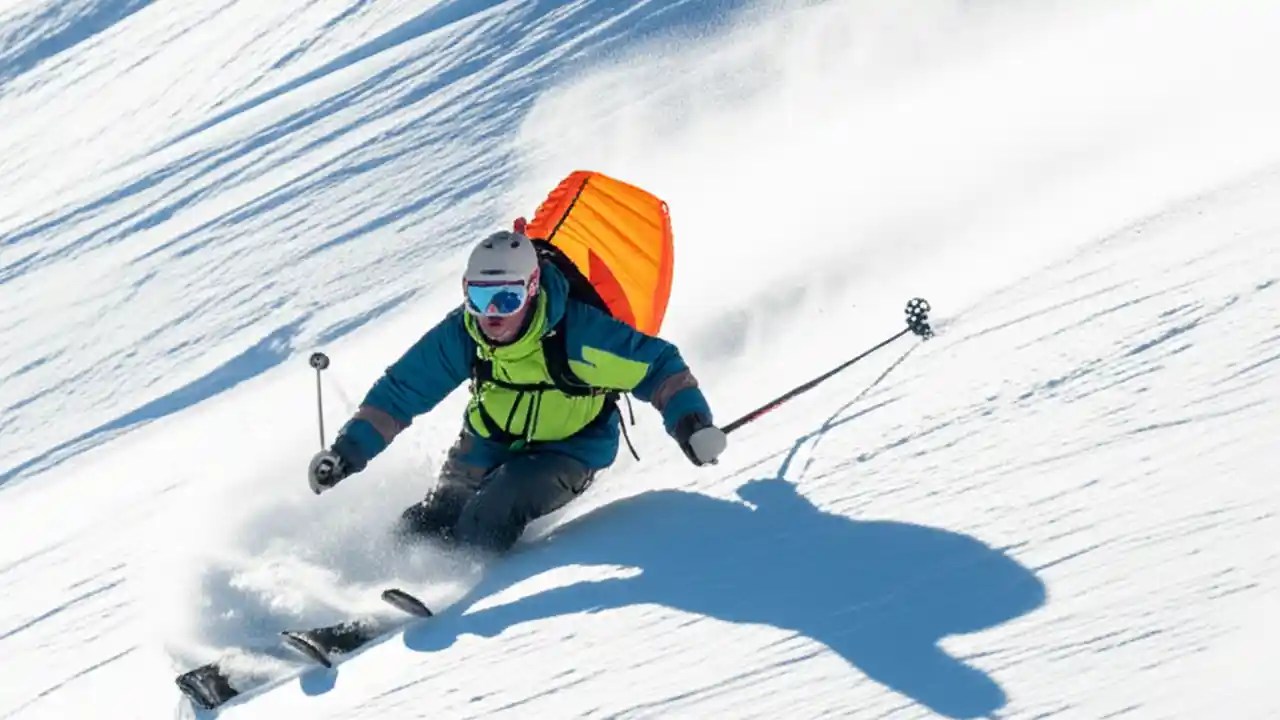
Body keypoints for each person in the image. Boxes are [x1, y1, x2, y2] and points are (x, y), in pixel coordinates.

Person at [307, 230, 727, 553]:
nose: (492, 314)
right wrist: (346, 454)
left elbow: (659, 368)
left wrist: (692, 424)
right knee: (431, 519)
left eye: (506, 298)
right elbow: (400, 393)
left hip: (570, 449)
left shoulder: (577, 334)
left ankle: (453, 594)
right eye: (481, 296)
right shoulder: (463, 334)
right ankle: (370, 601)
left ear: (530, 290)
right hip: (489, 438)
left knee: (490, 510)